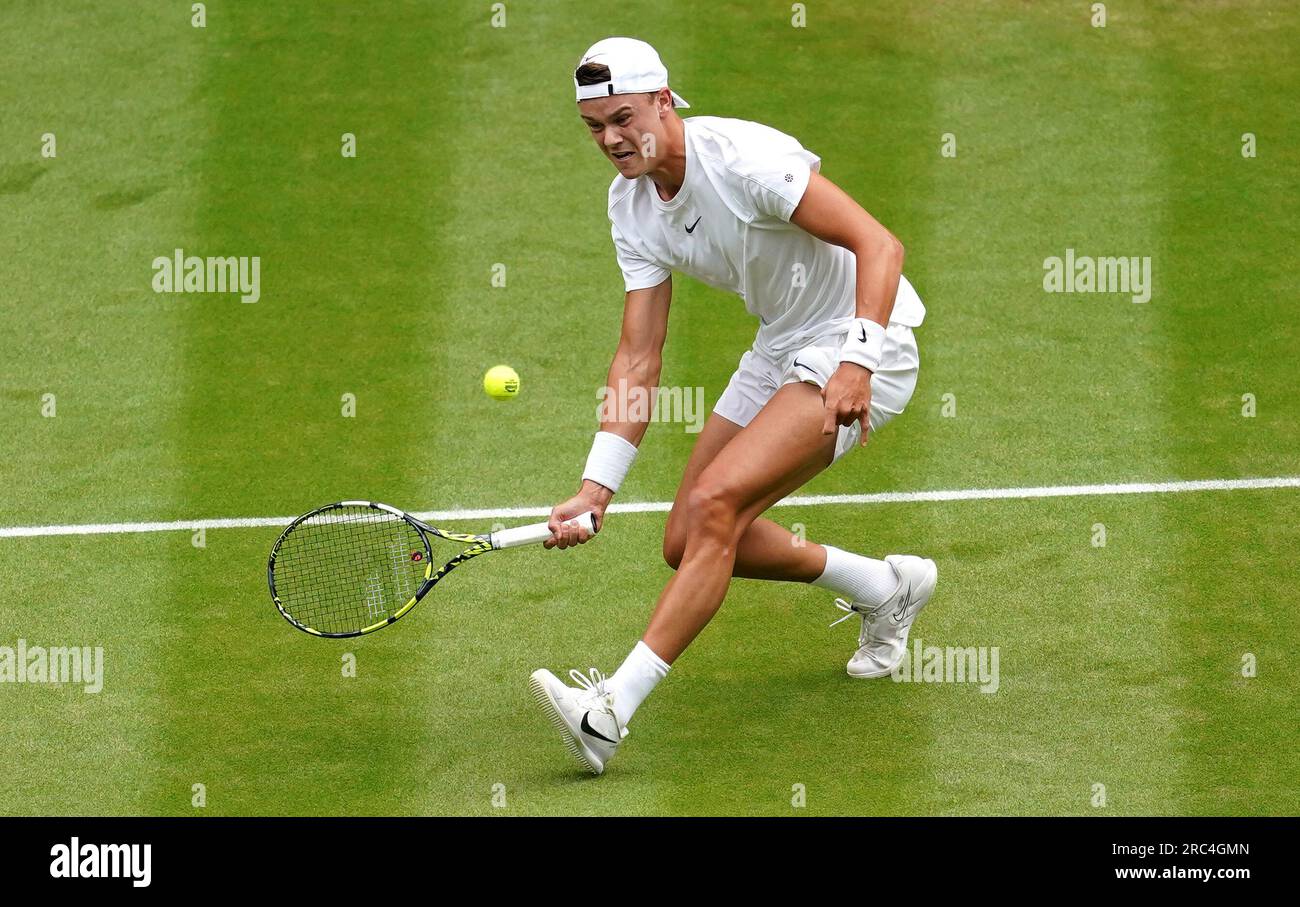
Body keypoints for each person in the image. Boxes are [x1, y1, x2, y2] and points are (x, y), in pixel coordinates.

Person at [530, 37, 935, 774]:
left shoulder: (742, 159)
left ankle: (610, 710)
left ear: (664, 101)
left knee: (717, 500)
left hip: (864, 337)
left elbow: (879, 244)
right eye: (594, 127)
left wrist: (857, 359)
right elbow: (638, 356)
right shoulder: (631, 207)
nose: (611, 140)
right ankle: (885, 587)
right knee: (687, 539)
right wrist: (597, 486)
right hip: (782, 343)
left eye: (623, 119)